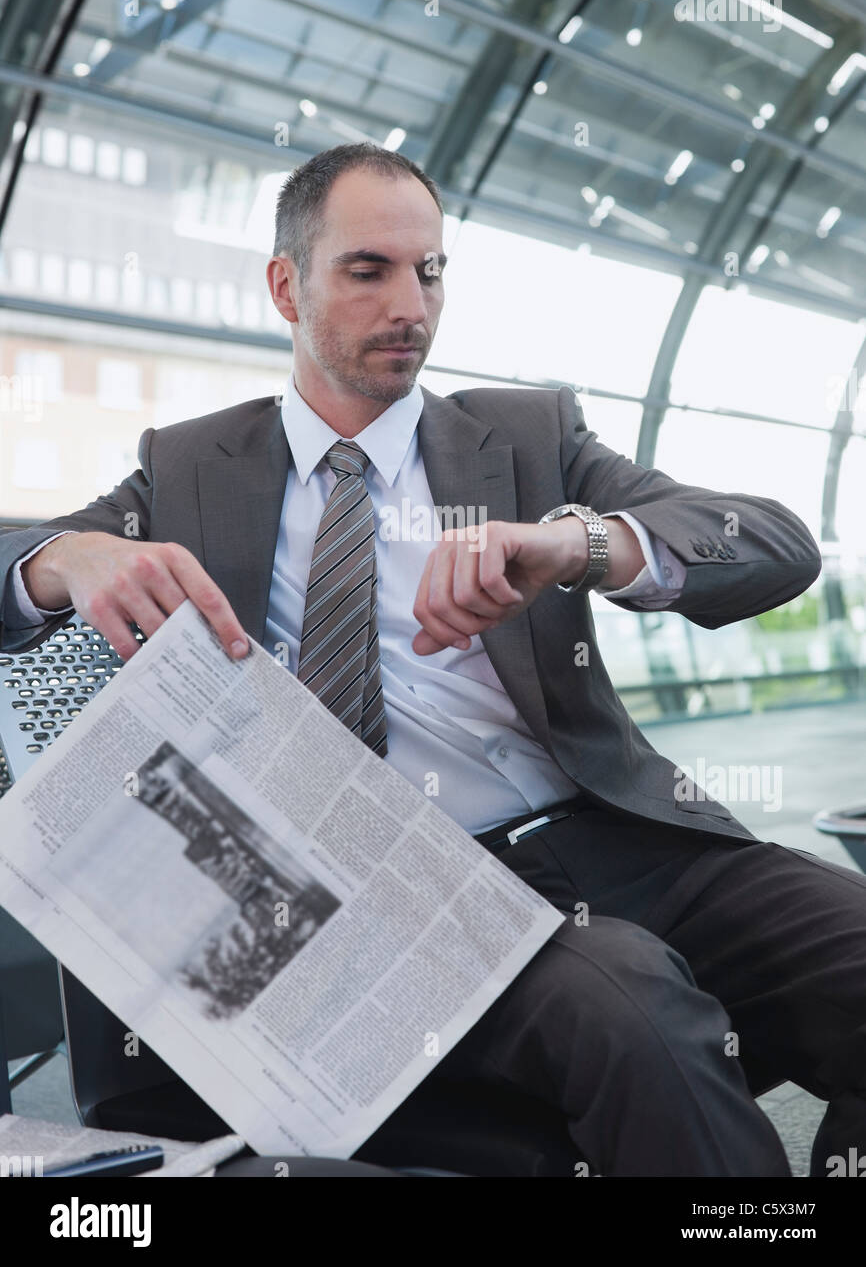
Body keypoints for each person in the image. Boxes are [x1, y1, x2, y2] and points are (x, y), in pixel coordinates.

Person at [1, 143, 863, 1178]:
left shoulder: (526, 436)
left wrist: (573, 543)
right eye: (368, 270)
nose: (409, 302)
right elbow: (14, 563)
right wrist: (64, 555)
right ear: (286, 285)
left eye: (430, 271)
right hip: (407, 886)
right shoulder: (189, 467)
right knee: (628, 1006)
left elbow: (766, 544)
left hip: (621, 840)